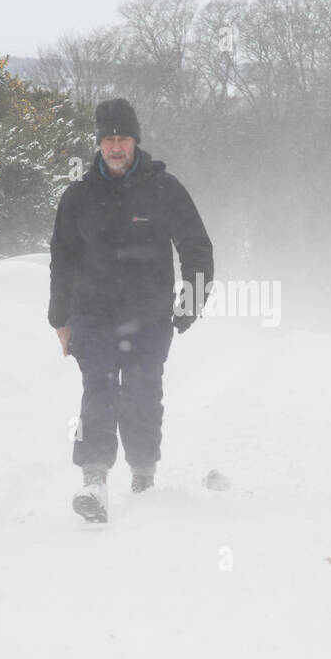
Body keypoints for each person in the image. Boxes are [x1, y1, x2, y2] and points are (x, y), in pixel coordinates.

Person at [48, 98, 213, 522]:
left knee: (142, 393)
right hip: (93, 313)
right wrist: (60, 318)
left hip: (148, 315)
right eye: (108, 139)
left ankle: (143, 478)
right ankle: (94, 481)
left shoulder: (164, 189)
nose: (115, 147)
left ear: (135, 140)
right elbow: (62, 257)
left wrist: (189, 304)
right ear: (99, 143)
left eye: (122, 138)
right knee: (98, 391)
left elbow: (196, 248)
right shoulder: (79, 195)